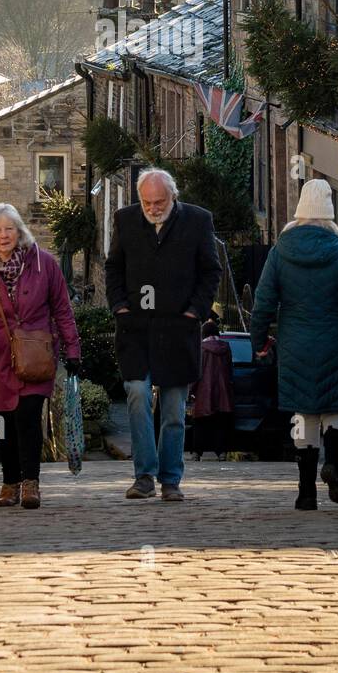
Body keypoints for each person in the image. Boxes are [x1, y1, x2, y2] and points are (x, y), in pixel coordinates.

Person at [250, 180, 338, 510]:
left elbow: (263, 301)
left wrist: (259, 341)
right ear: (330, 213)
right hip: (334, 340)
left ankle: (306, 490)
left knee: (304, 414)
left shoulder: (281, 251)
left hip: (295, 343)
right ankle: (334, 465)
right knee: (336, 407)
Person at [0, 203, 81, 508]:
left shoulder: (43, 264)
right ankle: (9, 483)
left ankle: (31, 483)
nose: (4, 235)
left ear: (19, 231)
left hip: (36, 354)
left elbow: (62, 310)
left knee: (27, 417)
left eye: (9, 228)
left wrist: (73, 350)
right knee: (3, 421)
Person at [106, 167, 222, 502]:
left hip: (178, 329)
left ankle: (171, 479)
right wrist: (120, 306)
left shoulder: (198, 221)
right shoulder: (125, 220)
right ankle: (144, 475)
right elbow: (113, 267)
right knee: (138, 394)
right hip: (136, 330)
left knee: (173, 410)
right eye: (147, 202)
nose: (153, 208)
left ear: (173, 196)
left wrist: (195, 311)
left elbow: (211, 270)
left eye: (159, 202)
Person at [189, 319, 234, 460]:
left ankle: (197, 453)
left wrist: (191, 390)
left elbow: (196, 372)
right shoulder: (226, 348)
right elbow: (229, 370)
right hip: (223, 392)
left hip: (204, 392)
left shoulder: (200, 348)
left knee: (200, 423)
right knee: (220, 423)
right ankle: (221, 452)